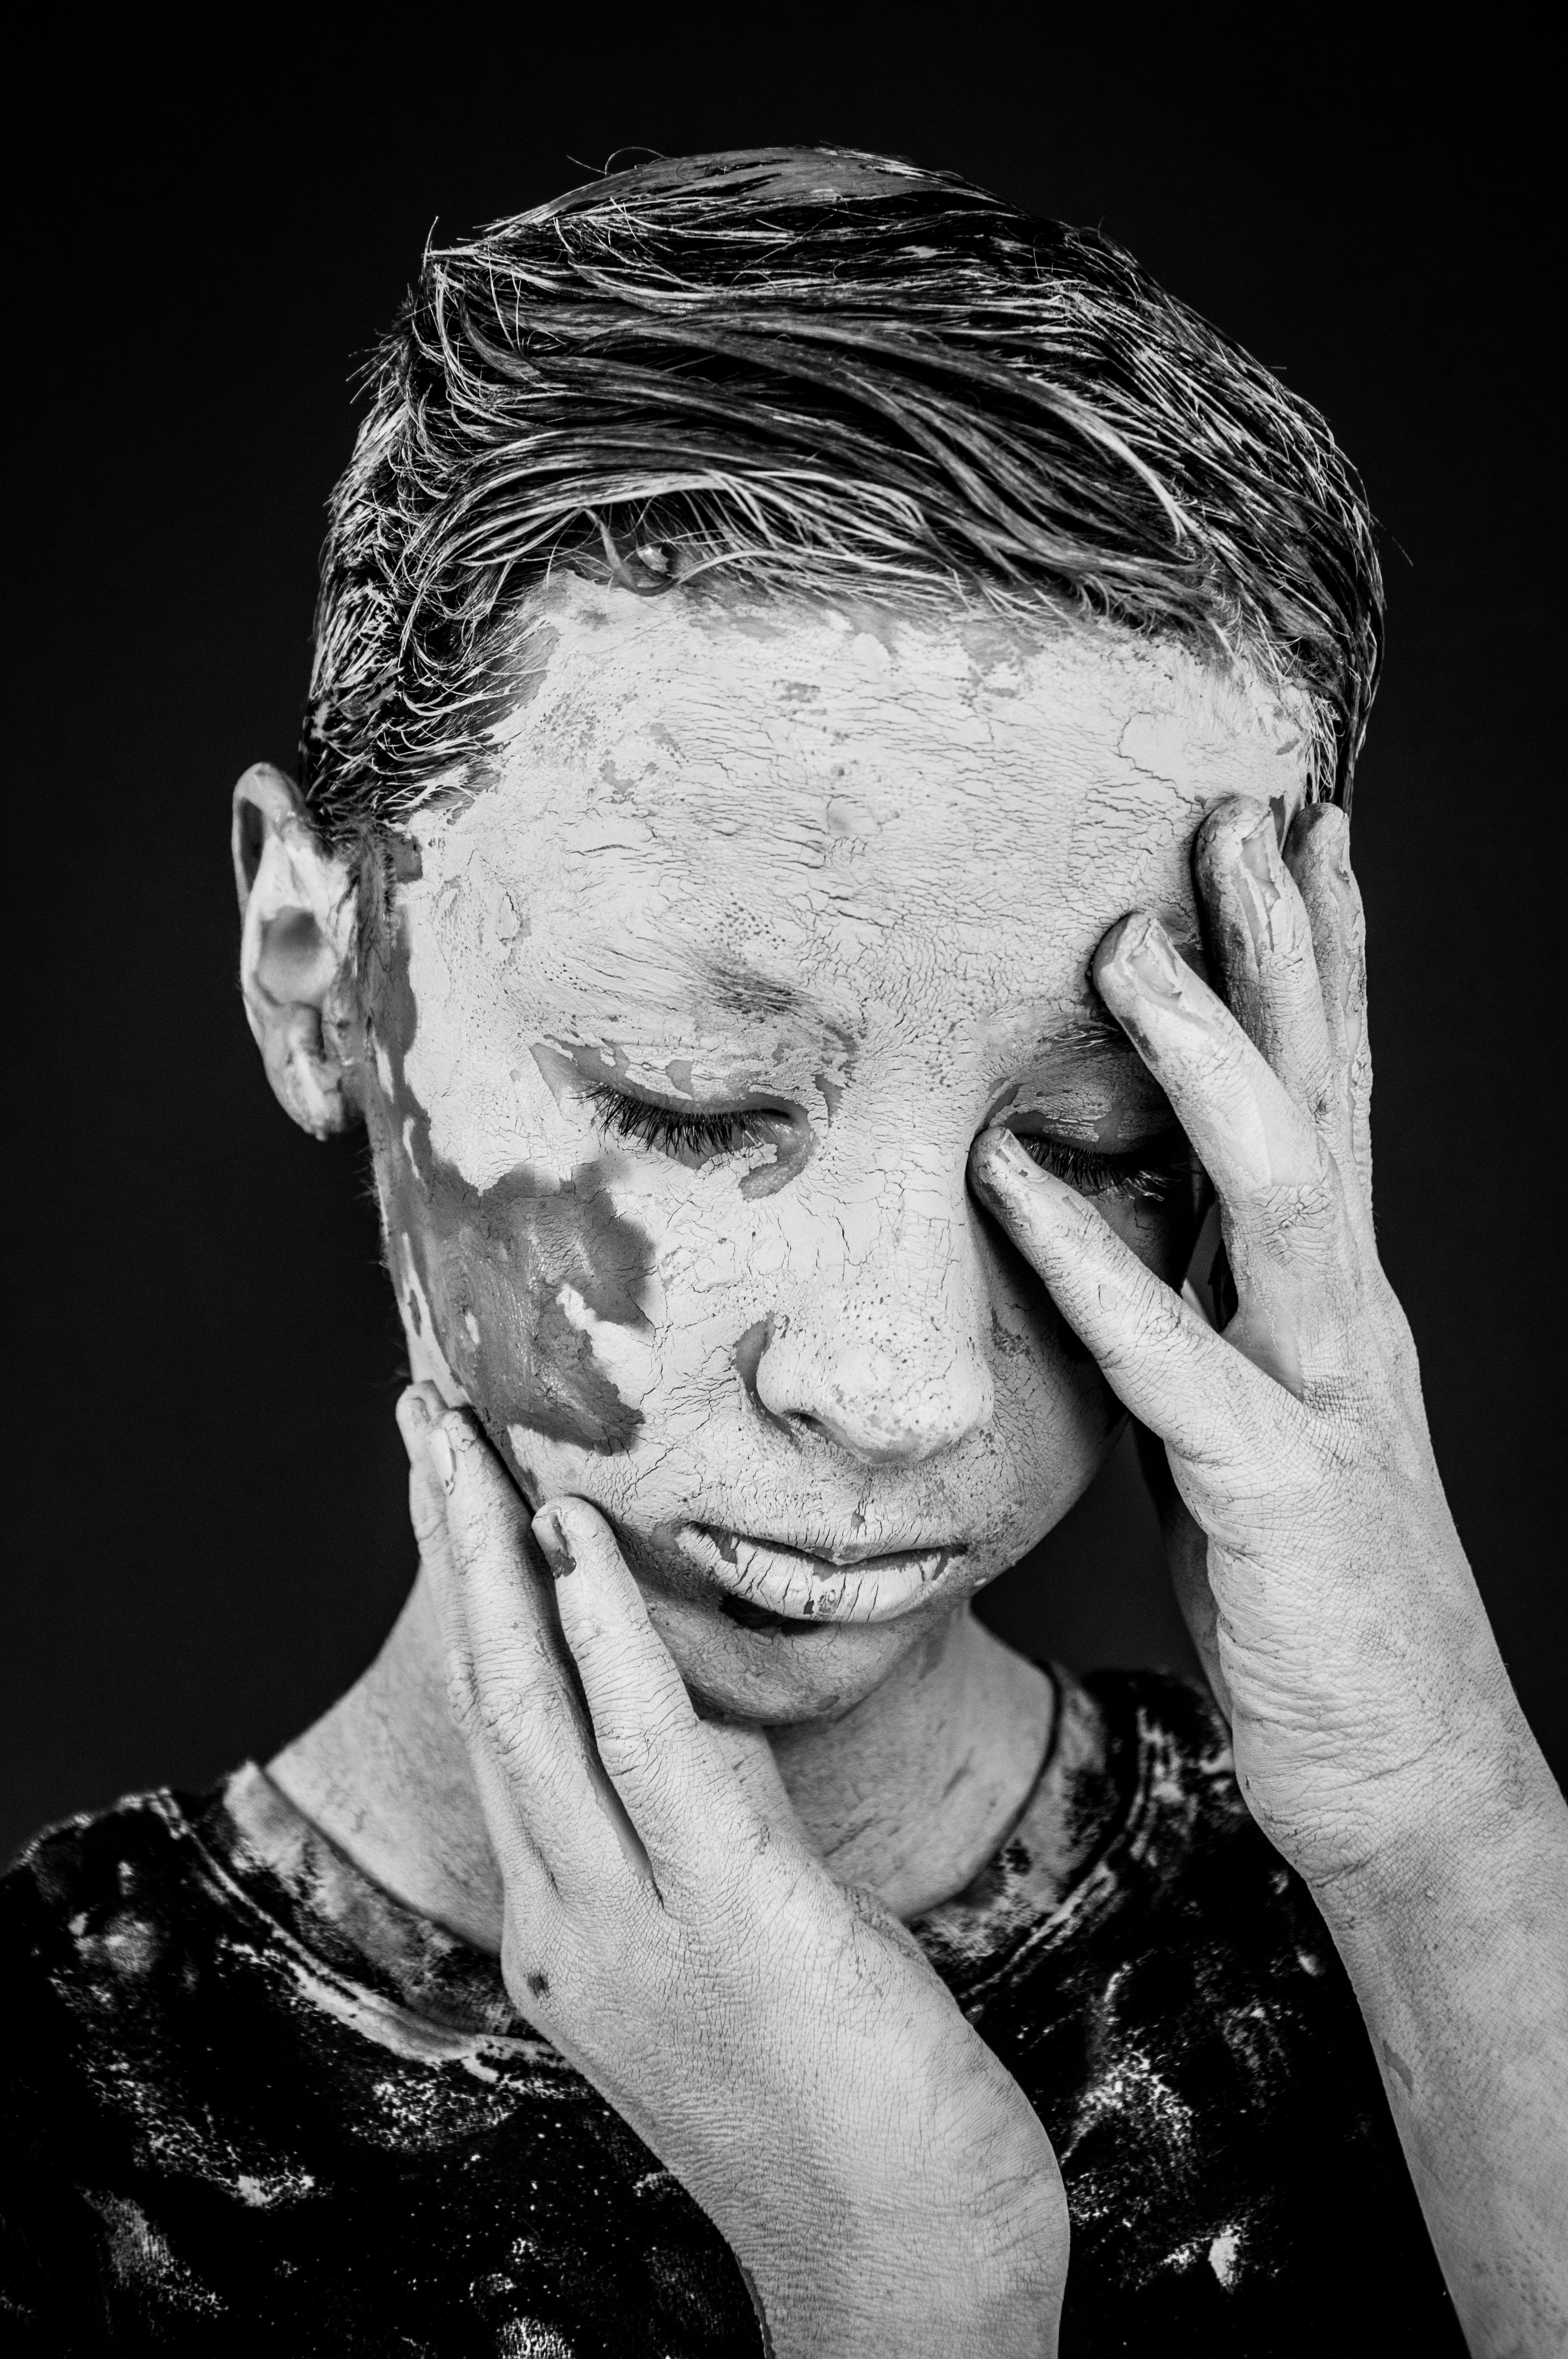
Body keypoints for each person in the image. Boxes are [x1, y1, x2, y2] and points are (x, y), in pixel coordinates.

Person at [3, 146, 1563, 2359]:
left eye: (1095, 1145)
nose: (900, 1378)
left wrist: (1454, 1854)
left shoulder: (1435, 1949)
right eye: (690, 1102)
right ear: (308, 962)